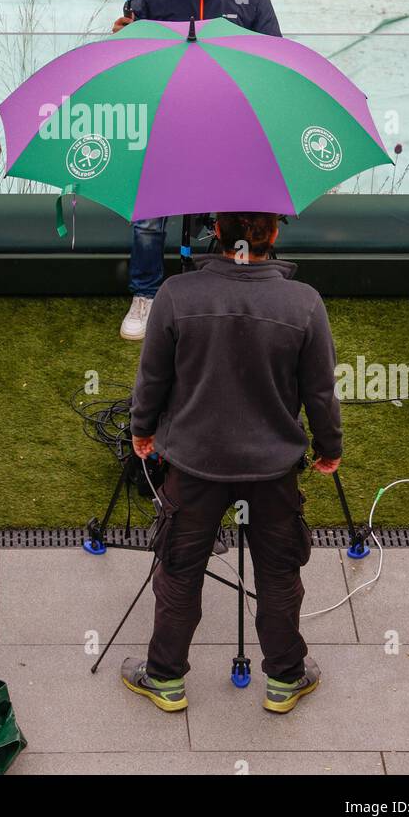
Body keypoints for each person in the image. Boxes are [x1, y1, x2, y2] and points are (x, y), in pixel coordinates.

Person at [121, 211, 341, 715]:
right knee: (279, 574)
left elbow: (150, 379)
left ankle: (165, 680)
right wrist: (329, 447)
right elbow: (320, 392)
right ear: (275, 234)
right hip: (274, 470)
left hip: (194, 467)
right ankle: (286, 679)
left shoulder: (177, 296)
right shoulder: (304, 303)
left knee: (179, 571)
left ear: (216, 232)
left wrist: (142, 430)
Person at [112, 0, 281, 340]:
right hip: (163, 115)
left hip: (229, 120)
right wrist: (122, 35)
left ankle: (228, 289)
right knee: (149, 216)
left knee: (232, 211)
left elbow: (274, 58)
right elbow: (129, 61)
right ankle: (146, 295)